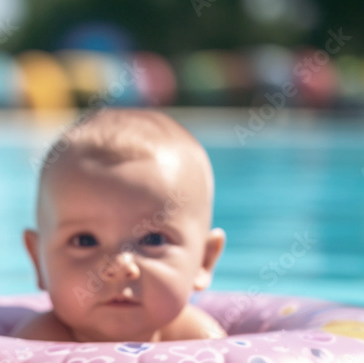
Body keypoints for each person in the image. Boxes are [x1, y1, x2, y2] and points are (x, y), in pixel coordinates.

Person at [15, 108, 227, 343]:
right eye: (85, 241)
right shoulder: (35, 343)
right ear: (37, 259)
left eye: (153, 239)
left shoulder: (201, 340)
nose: (118, 267)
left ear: (204, 261)